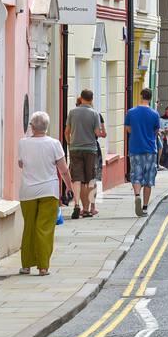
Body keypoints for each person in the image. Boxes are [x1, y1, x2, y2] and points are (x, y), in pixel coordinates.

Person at [18, 111, 73, 276]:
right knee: (45, 229)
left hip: (28, 191)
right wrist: (69, 187)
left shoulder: (23, 143)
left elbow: (21, 164)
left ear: (32, 127)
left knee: (29, 227)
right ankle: (43, 267)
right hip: (49, 191)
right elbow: (63, 169)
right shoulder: (54, 144)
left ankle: (26, 265)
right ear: (46, 127)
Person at [64, 89, 106, 219]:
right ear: (91, 99)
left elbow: (67, 132)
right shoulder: (94, 114)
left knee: (77, 179)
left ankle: (77, 204)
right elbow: (98, 133)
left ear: (81, 98)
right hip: (90, 149)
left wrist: (70, 144)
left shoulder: (72, 112)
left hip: (75, 149)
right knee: (90, 180)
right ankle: (87, 209)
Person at [124, 88, 162, 217]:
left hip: (135, 148)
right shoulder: (154, 114)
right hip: (150, 149)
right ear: (150, 98)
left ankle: (137, 195)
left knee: (136, 175)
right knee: (148, 179)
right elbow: (156, 132)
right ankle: (145, 207)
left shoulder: (131, 112)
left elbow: (128, 130)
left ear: (141, 96)